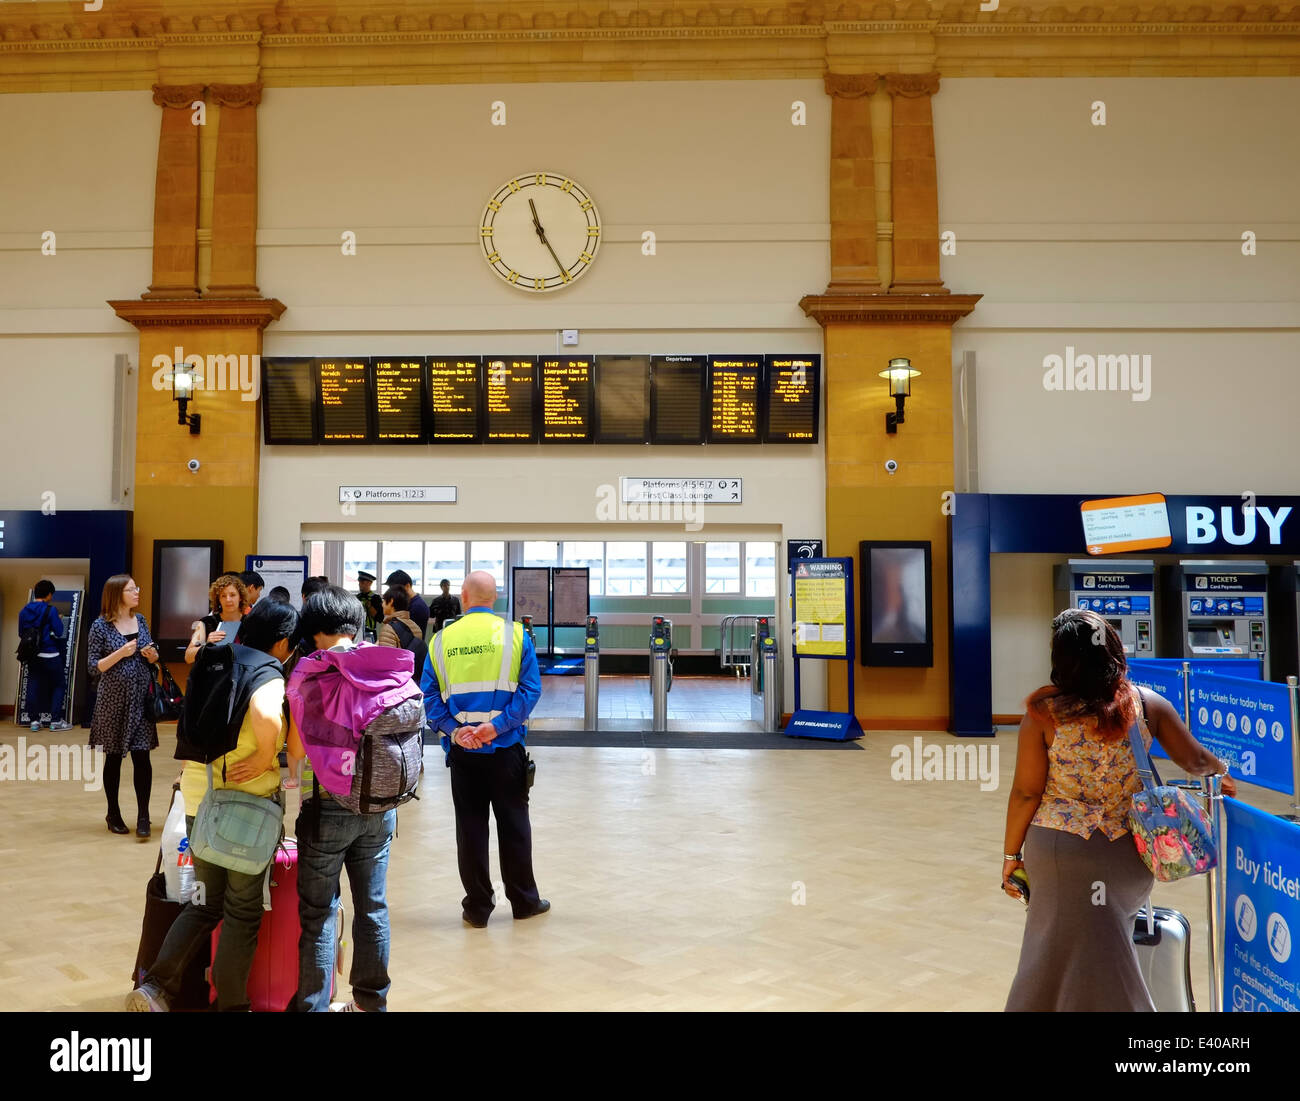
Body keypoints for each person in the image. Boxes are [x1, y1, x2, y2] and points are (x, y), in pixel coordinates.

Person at [1002, 608, 1237, 1012]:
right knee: (1107, 946)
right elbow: (1196, 762)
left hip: (1059, 851)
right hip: (1127, 852)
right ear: (1112, 649)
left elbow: (1026, 792)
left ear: (1062, 658)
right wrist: (1223, 775)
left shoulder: (1044, 715)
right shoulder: (1146, 706)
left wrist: (1011, 856)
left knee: (1052, 949)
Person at [126, 601, 298, 1013]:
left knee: (203, 904)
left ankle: (155, 990)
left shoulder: (214, 659)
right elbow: (264, 711)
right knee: (241, 912)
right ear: (281, 641)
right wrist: (263, 756)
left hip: (200, 799)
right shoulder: (267, 672)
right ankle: (233, 1006)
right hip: (247, 810)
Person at [286, 586, 417, 1012]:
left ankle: (313, 1005)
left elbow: (297, 748)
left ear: (316, 630)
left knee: (320, 912)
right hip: (382, 807)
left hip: (328, 806)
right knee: (373, 907)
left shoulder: (314, 672)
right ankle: (371, 1003)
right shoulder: (388, 667)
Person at [422, 570, 548, 928]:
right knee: (514, 826)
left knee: (471, 829)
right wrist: (497, 726)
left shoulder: (442, 641)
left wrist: (454, 730)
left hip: (463, 753)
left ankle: (477, 908)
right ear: (496, 599)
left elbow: (429, 695)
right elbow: (530, 691)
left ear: (463, 597)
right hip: (505, 749)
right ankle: (524, 902)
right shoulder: (516, 636)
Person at [86, 575, 160, 837]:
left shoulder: (140, 620)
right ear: (117, 594)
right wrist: (121, 653)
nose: (137, 592)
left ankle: (144, 816)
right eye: (131, 589)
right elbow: (94, 667)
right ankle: (113, 813)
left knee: (142, 757)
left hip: (141, 698)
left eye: (136, 588)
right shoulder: (100, 626)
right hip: (112, 701)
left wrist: (153, 655)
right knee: (114, 757)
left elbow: (152, 650)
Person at [18, 579, 70, 732]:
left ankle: (34, 721)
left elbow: (21, 633)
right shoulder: (51, 610)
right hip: (50, 653)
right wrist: (58, 620)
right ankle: (55, 721)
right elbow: (59, 631)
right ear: (48, 595)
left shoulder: (24, 610)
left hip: (32, 655)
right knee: (59, 684)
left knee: (33, 685)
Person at [184, 573, 248, 664]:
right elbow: (188, 657)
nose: (228, 599)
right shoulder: (205, 623)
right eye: (223, 596)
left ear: (240, 597)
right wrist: (207, 644)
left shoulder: (251, 622)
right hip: (214, 676)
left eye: (232, 595)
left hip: (244, 675)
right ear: (218, 599)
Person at [385, 569, 429, 635]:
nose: (393, 592)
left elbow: (407, 635)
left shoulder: (417, 607)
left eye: (396, 589)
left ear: (407, 586)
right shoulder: (410, 603)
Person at [356, 571, 379, 638]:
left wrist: (369, 606)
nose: (360, 584)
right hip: (357, 631)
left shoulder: (375, 598)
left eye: (362, 582)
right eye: (359, 582)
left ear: (370, 583)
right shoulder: (357, 597)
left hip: (370, 631)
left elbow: (379, 618)